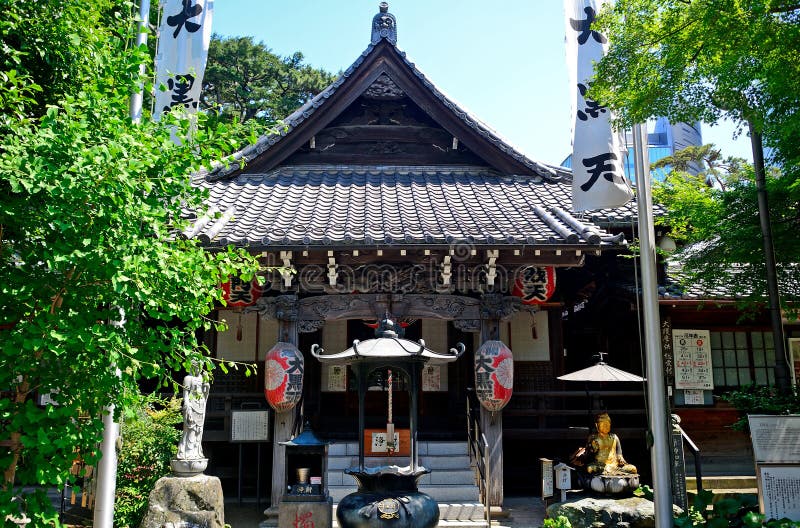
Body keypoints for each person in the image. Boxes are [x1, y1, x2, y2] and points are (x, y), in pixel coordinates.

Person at [176, 360, 210, 460]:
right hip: (192, 405)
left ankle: (197, 452)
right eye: (197, 367)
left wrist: (207, 388)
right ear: (192, 367)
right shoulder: (188, 378)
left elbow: (204, 394)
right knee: (191, 429)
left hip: (201, 406)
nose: (199, 369)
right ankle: (187, 453)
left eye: (201, 367)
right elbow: (185, 396)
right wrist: (188, 408)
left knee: (199, 431)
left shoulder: (201, 378)